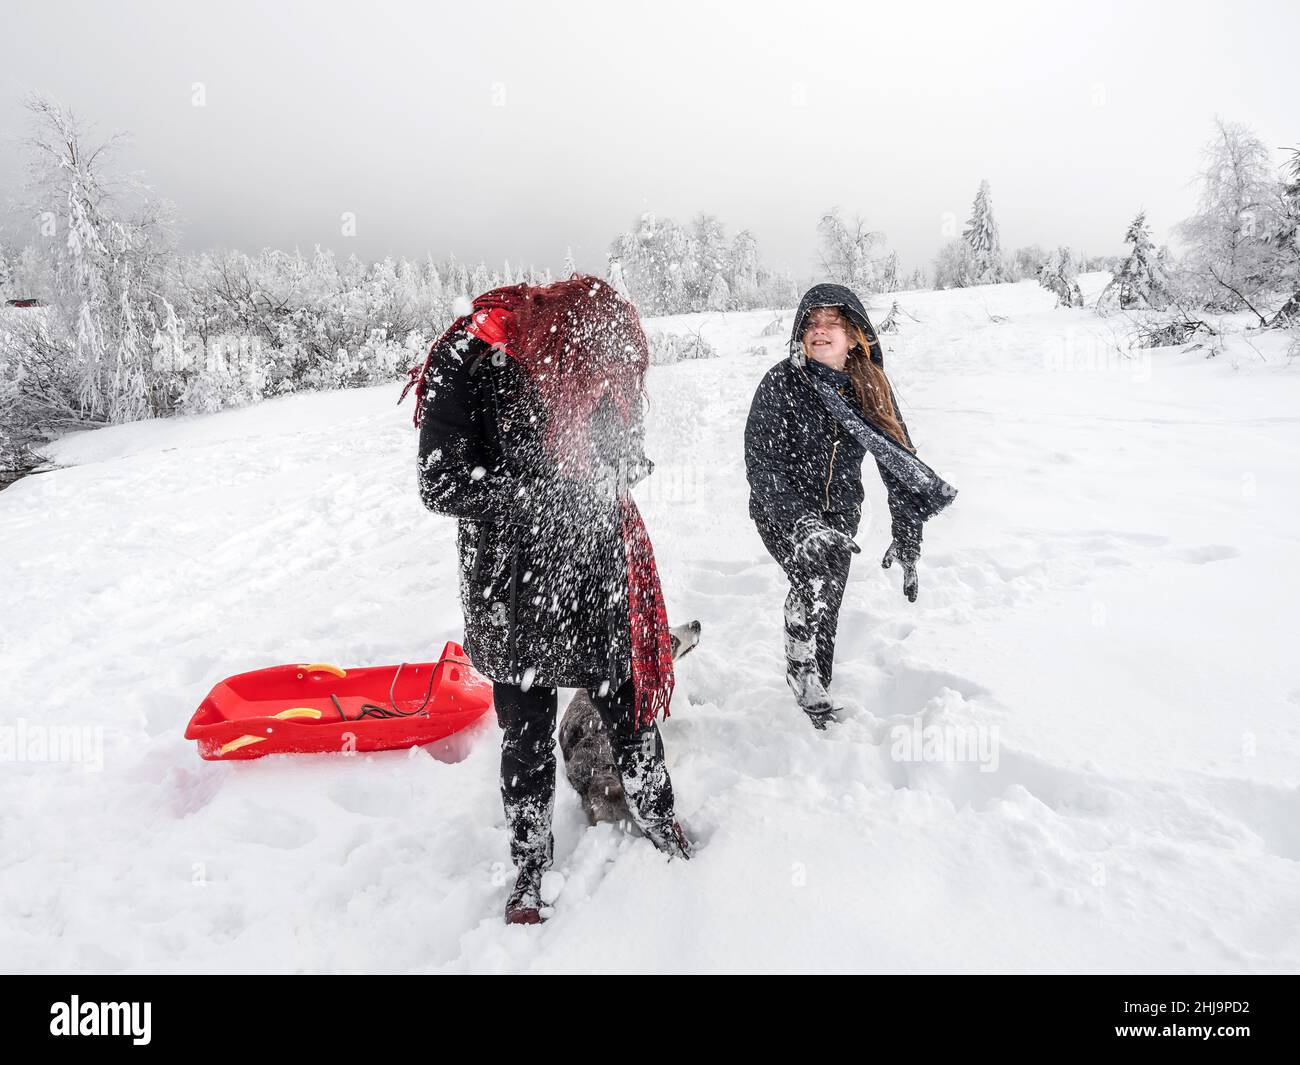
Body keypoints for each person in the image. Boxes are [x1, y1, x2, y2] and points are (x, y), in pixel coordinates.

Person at [408, 275, 690, 926]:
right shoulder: (472, 353)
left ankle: (660, 818)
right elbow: (439, 480)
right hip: (512, 585)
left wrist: (618, 471)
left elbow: (626, 451)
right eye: (594, 369)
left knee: (631, 710)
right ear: (558, 340)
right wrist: (540, 499)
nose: (610, 381)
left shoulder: (604, 355)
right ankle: (530, 868)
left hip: (596, 572)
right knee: (526, 735)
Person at [744, 283, 956, 729]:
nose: (820, 331)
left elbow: (898, 462)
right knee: (813, 581)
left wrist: (907, 537)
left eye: (833, 324)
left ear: (856, 335)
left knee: (831, 597)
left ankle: (818, 679)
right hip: (780, 510)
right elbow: (761, 467)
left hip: (839, 513)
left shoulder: (867, 386)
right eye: (812, 323)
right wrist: (799, 521)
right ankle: (803, 675)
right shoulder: (780, 384)